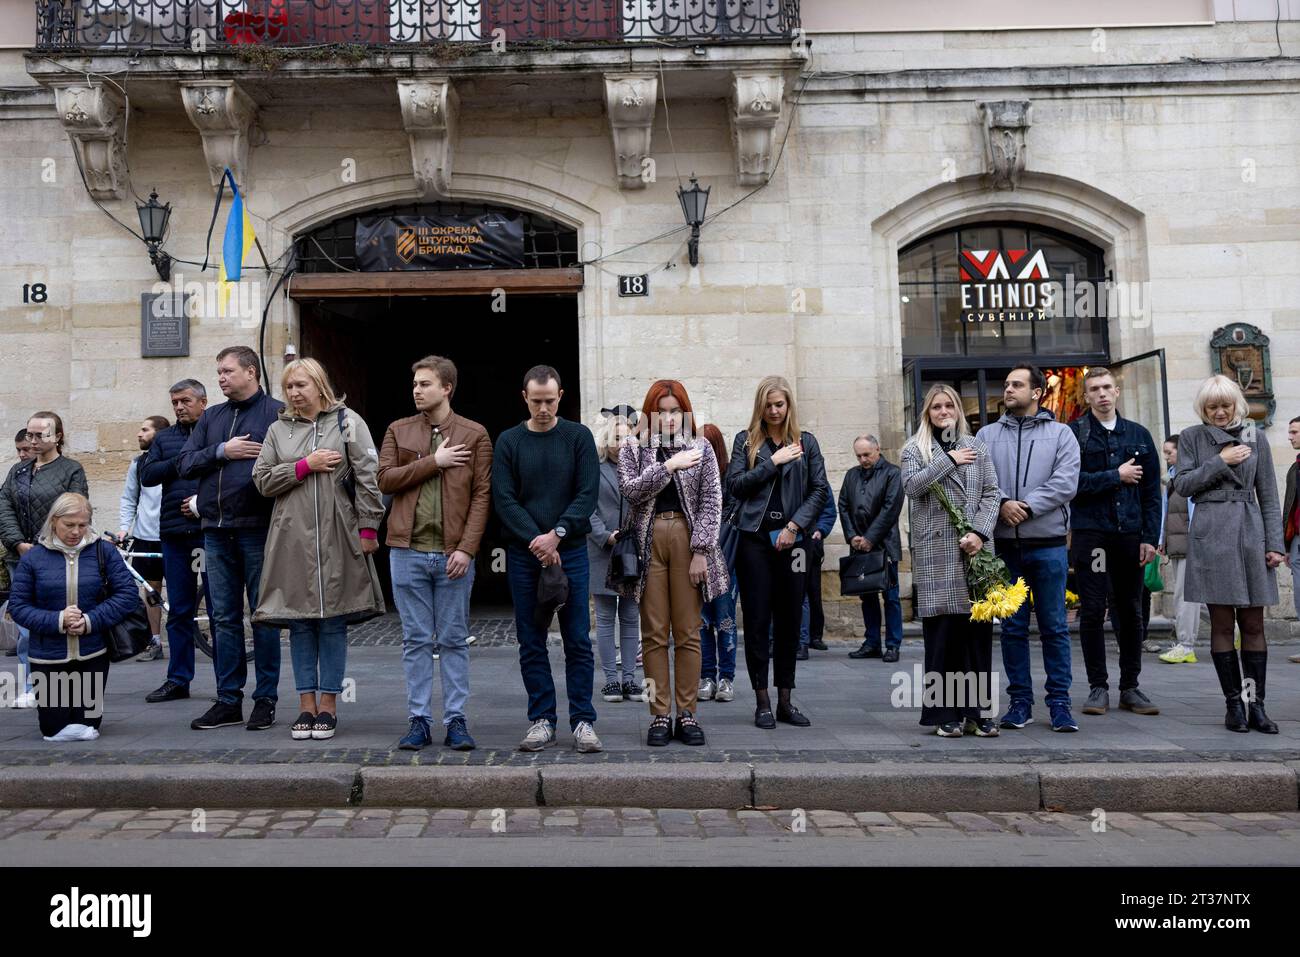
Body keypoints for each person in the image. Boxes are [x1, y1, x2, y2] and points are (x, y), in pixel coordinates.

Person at [252, 358, 384, 741]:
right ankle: (304, 704)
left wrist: (368, 528)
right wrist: (303, 465)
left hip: (337, 534)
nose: (294, 392)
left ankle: (329, 704)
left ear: (319, 385)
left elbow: (367, 478)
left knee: (332, 621)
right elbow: (261, 480)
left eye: (301, 385)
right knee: (299, 622)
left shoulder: (347, 422)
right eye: (289, 386)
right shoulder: (278, 430)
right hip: (290, 540)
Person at [378, 355, 493, 751]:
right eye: (415, 383)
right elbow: (386, 481)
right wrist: (434, 461)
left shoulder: (475, 434)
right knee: (415, 641)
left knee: (454, 639)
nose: (416, 389)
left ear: (447, 388)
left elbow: (481, 496)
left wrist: (466, 549)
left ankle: (456, 720)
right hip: (406, 551)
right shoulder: (398, 429)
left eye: (425, 383)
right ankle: (419, 721)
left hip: (452, 556)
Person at [491, 365, 602, 753]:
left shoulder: (578, 437)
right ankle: (542, 719)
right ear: (524, 396)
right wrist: (537, 540)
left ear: (561, 396)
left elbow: (587, 493)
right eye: (536, 401)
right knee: (532, 640)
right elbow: (503, 499)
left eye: (550, 401)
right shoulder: (509, 441)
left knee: (577, 640)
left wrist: (557, 534)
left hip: (569, 552)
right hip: (525, 557)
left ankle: (583, 721)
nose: (543, 408)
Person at [177, 346, 285, 731]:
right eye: (218, 371)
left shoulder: (276, 413)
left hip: (258, 529)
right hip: (216, 532)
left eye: (227, 371)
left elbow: (286, 467)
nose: (220, 378)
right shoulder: (211, 417)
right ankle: (227, 700)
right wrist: (225, 450)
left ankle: (266, 699)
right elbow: (185, 463)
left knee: (263, 615)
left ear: (251, 372)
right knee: (223, 618)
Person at [615, 380, 727, 747]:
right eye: (660, 411)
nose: (667, 418)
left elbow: (712, 498)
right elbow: (630, 491)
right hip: (647, 544)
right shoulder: (633, 447)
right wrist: (668, 467)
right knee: (653, 634)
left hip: (686, 540)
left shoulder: (701, 447)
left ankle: (688, 713)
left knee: (689, 632)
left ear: (684, 412)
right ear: (649, 414)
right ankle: (660, 714)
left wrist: (701, 550)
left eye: (674, 411)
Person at [1172, 375, 1286, 733]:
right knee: (1221, 624)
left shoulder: (1257, 436)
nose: (1220, 413)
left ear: (1236, 404)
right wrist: (1221, 460)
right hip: (1210, 532)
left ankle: (1257, 706)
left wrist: (1274, 544)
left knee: (1253, 624)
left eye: (1225, 405)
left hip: (1250, 532)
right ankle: (1233, 705)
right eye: (1212, 407)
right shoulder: (1192, 437)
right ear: (1203, 409)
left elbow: (1268, 494)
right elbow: (1183, 485)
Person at [976, 365, 1081, 733]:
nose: (1008, 389)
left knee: (1054, 627)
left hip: (1049, 545)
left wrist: (1028, 506)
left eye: (1016, 384)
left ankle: (1060, 704)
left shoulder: (1061, 434)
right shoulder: (986, 434)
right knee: (1012, 628)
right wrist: (1004, 502)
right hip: (1005, 548)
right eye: (1005, 384)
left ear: (1036, 392)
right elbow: (980, 479)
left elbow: (1066, 481)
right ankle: (1020, 702)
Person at [726, 375, 829, 730]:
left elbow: (819, 491)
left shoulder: (807, 442)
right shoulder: (745, 441)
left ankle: (786, 699)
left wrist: (794, 528)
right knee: (756, 620)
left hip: (795, 543)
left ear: (788, 406)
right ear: (760, 406)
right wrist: (772, 462)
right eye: (768, 405)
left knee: (789, 620)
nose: (773, 410)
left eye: (779, 404)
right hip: (754, 541)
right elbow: (735, 486)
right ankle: (762, 701)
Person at [902, 385, 1003, 737]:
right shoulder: (915, 449)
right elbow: (912, 487)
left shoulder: (977, 446)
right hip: (936, 553)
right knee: (943, 636)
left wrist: (980, 532)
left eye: (949, 406)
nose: (943, 411)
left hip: (973, 552)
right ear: (927, 413)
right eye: (936, 407)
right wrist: (948, 461)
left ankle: (978, 712)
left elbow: (993, 493)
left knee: (977, 636)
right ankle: (944, 714)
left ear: (959, 410)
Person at [1068, 367, 1162, 717]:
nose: (1102, 394)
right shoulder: (1074, 433)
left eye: (1107, 387)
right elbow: (1069, 484)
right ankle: (1098, 687)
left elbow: (1153, 492)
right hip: (1092, 535)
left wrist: (1151, 538)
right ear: (1087, 395)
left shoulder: (1138, 434)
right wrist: (1115, 476)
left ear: (1117, 391)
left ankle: (1130, 686)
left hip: (1130, 535)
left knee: (1131, 610)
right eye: (1095, 389)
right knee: (1092, 609)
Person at [8, 493, 138, 740]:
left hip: (92, 654)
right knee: (53, 729)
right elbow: (18, 606)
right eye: (69, 525)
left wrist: (90, 621)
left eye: (83, 524)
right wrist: (59, 620)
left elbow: (127, 595)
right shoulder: (34, 558)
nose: (76, 531)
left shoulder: (104, 552)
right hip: (47, 657)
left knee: (88, 725)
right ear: (54, 521)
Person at [0, 412, 89, 710]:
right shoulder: (18, 471)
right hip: (20, 555)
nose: (33, 441)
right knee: (26, 622)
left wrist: (45, 544)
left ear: (57, 436)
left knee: (56, 617)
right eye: (30, 435)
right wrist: (18, 543)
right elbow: (5, 507)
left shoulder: (70, 470)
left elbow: (75, 509)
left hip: (54, 555)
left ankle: (62, 684)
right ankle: (31, 684)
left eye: (40, 435)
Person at [138, 380, 212, 704]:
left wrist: (203, 501)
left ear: (203, 402)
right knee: (179, 610)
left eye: (185, 401)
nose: (179, 407)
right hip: (173, 535)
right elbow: (148, 474)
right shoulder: (165, 438)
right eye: (175, 403)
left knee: (218, 607)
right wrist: (182, 460)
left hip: (208, 536)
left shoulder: (216, 432)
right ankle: (178, 679)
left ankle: (228, 682)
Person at [588, 411, 643, 704]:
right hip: (603, 552)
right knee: (606, 618)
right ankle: (611, 680)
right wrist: (605, 535)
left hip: (633, 550)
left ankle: (631, 680)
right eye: (617, 437)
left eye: (627, 437)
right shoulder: (594, 469)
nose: (622, 443)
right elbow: (587, 508)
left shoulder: (640, 467)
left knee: (631, 617)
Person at [839, 435, 904, 662]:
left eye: (867, 454)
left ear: (878, 449)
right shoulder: (851, 475)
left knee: (891, 597)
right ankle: (872, 642)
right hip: (859, 546)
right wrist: (852, 536)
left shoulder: (893, 473)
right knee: (867, 596)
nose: (863, 459)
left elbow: (890, 510)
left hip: (885, 545)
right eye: (858, 455)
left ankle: (893, 644)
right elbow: (844, 505)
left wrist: (869, 537)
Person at [118, 414, 169, 661]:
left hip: (174, 535)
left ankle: (190, 633)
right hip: (146, 536)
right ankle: (155, 641)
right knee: (151, 590)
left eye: (145, 430)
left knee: (186, 589)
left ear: (159, 434)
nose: (139, 434)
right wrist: (124, 529)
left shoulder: (175, 459)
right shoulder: (138, 464)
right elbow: (129, 499)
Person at [698, 424, 739, 703]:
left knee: (724, 620)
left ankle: (726, 677)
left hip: (724, 560)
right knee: (700, 622)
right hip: (698, 561)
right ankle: (707, 676)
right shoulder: (694, 477)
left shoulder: (729, 481)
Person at [1157, 433, 1206, 664]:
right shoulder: (1171, 479)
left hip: (1190, 543)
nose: (1166, 457)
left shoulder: (1191, 479)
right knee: (1197, 597)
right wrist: (1161, 540)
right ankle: (1234, 629)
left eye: (1170, 452)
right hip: (1176, 544)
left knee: (1184, 595)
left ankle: (1186, 645)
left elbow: (1196, 512)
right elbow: (1166, 514)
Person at [796, 491, 837, 659]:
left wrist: (820, 530)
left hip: (810, 541)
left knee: (812, 592)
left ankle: (813, 636)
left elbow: (829, 511)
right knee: (798, 593)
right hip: (790, 540)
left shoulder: (816, 477)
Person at [1284, 416, 1300, 664]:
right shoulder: (1294, 468)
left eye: (1295, 432)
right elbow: (1289, 506)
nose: (1290, 436)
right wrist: (1285, 544)